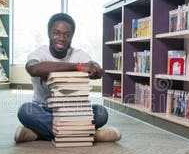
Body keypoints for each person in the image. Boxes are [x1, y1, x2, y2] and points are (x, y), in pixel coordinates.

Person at [15, 12, 121, 144]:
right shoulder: (40, 53)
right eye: (56, 33)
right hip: (44, 110)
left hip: (75, 111)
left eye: (67, 34)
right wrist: (77, 67)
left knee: (101, 112)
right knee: (25, 111)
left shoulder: (78, 53)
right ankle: (91, 135)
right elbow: (33, 68)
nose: (61, 38)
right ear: (49, 34)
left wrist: (94, 69)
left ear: (71, 37)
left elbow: (97, 69)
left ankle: (37, 134)